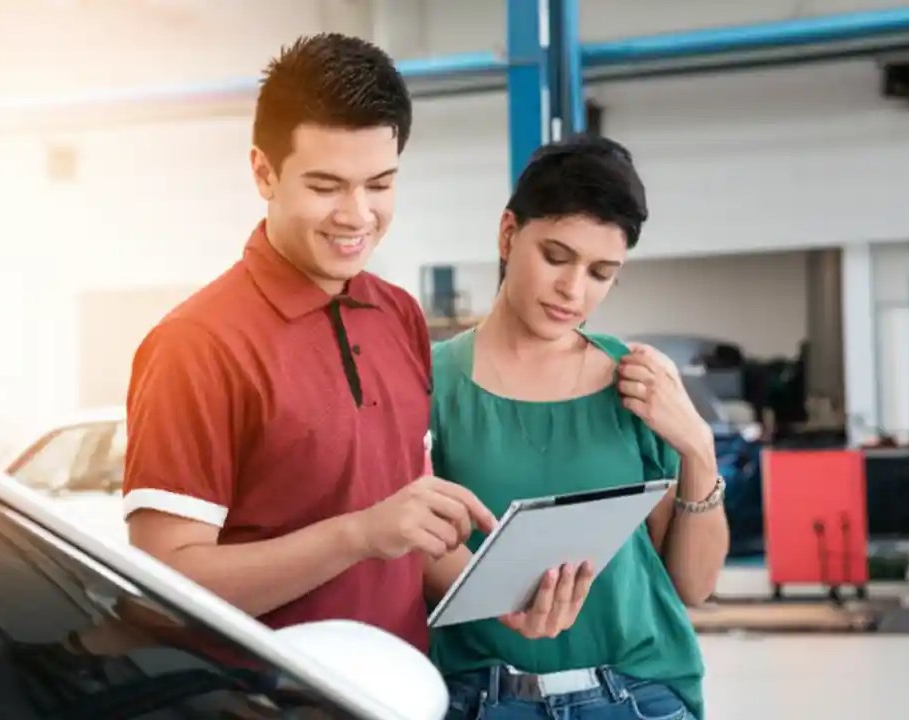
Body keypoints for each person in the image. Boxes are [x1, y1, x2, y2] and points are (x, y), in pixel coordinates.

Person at [120, 33, 584, 654]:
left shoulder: (398, 316)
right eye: (325, 186)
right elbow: (164, 590)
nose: (357, 215)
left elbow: (404, 544)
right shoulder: (194, 345)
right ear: (263, 172)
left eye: (380, 184)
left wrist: (498, 594)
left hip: (400, 695)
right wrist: (359, 534)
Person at [424, 135, 729, 719]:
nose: (573, 290)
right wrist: (501, 604)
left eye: (601, 272)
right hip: (483, 702)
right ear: (508, 235)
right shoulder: (432, 385)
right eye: (556, 257)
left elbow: (692, 584)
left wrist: (697, 444)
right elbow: (414, 554)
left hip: (637, 696)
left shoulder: (636, 381)